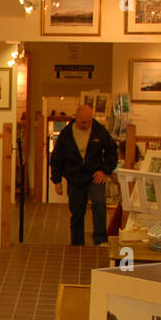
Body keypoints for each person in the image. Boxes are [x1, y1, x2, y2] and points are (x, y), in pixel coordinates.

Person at [51, 104, 119, 246]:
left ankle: (100, 239)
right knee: (77, 211)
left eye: (89, 121)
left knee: (99, 204)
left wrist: (105, 170)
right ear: (76, 118)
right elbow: (57, 158)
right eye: (83, 122)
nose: (87, 125)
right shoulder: (66, 133)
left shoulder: (99, 130)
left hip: (95, 175)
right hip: (75, 177)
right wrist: (57, 181)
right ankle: (77, 243)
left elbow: (112, 151)